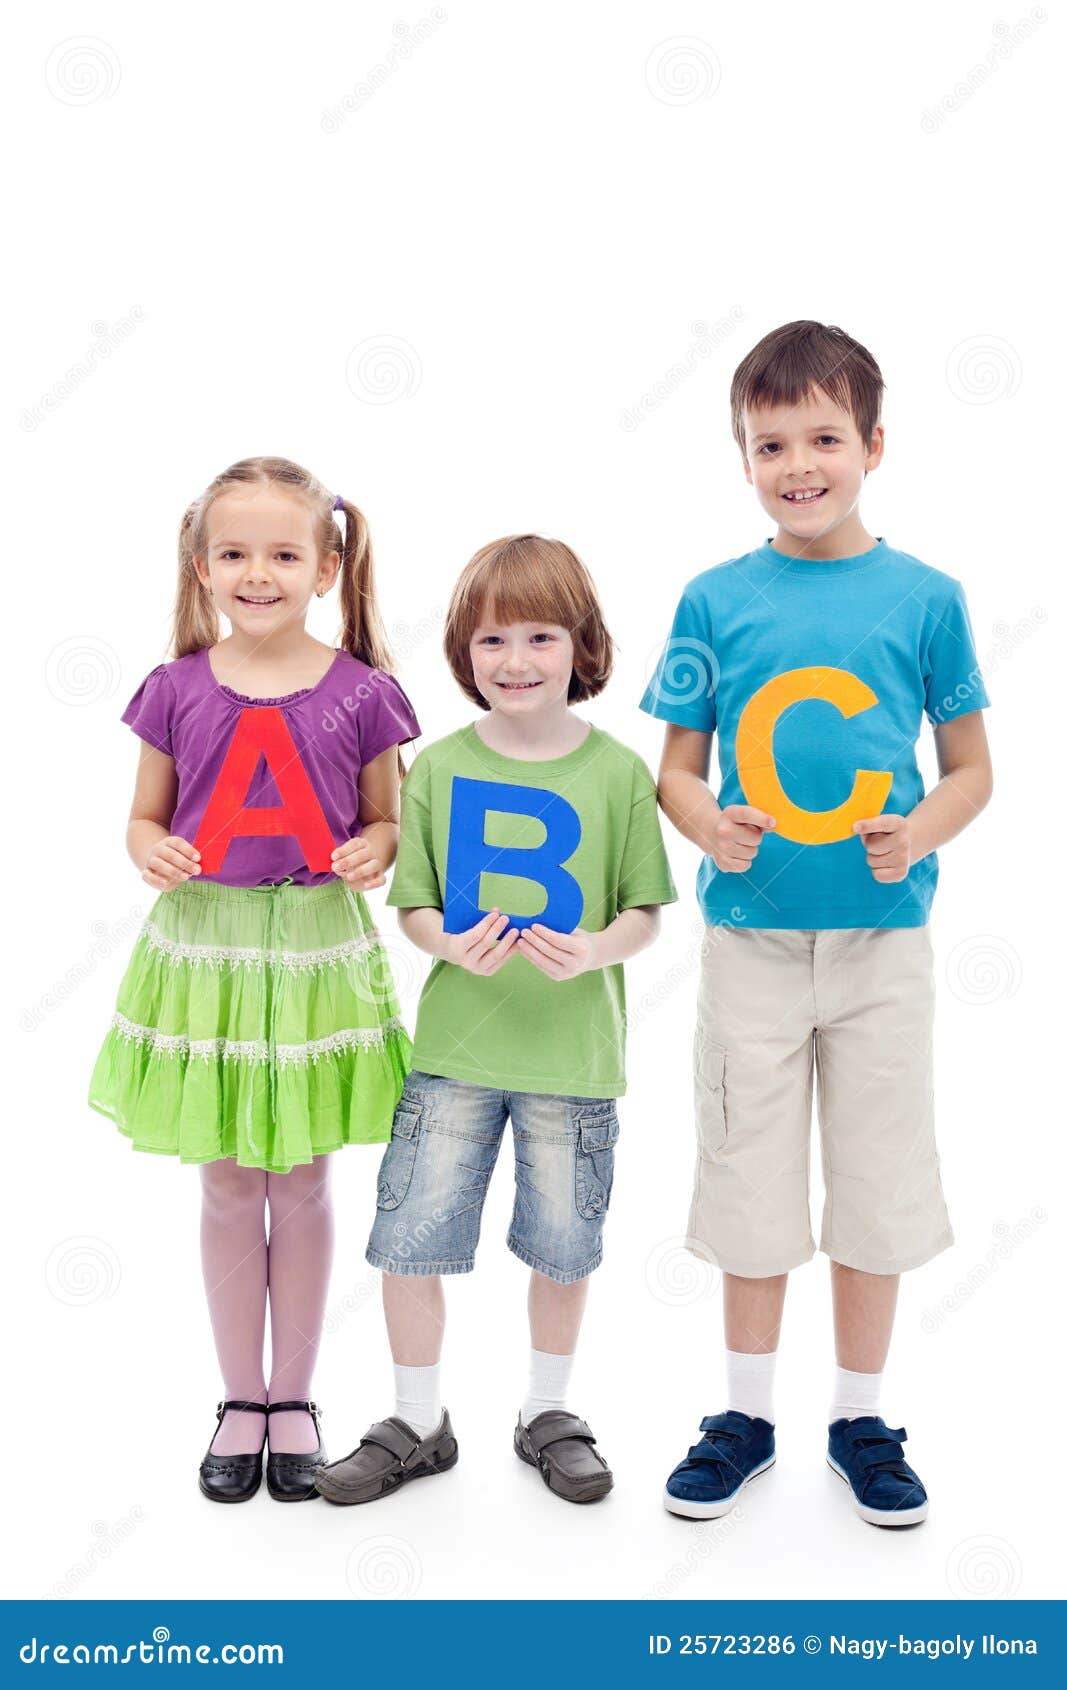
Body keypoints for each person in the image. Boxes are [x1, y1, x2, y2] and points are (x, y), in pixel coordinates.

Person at [641, 321, 993, 1527]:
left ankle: (858, 1414)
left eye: (824, 437)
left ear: (873, 445)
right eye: (769, 442)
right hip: (749, 941)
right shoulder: (713, 597)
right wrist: (705, 823)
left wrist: (921, 830)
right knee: (746, 1173)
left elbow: (968, 770)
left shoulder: (926, 598)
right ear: (742, 458)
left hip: (880, 942)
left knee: (877, 1175)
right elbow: (673, 771)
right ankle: (742, 1412)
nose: (798, 462)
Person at [315, 534, 677, 1507]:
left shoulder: (614, 773)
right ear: (462, 653)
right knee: (408, 1235)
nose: (513, 661)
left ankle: (546, 1408)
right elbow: (413, 903)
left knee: (564, 1241)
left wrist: (598, 947)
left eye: (538, 636)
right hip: (454, 1056)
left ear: (580, 645)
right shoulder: (434, 768)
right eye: (490, 641)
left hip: (574, 1058)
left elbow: (643, 911)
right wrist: (444, 941)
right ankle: (417, 1417)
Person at [87, 456, 421, 1504]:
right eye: (233, 553)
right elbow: (145, 814)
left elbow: (388, 820)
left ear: (327, 566)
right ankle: (240, 1397)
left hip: (316, 950)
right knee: (229, 1177)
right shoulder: (175, 685)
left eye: (283, 553)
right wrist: (150, 847)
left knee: (307, 1176)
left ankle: (295, 1395)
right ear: (200, 566)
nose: (257, 572)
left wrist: (378, 848)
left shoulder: (363, 692)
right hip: (210, 953)